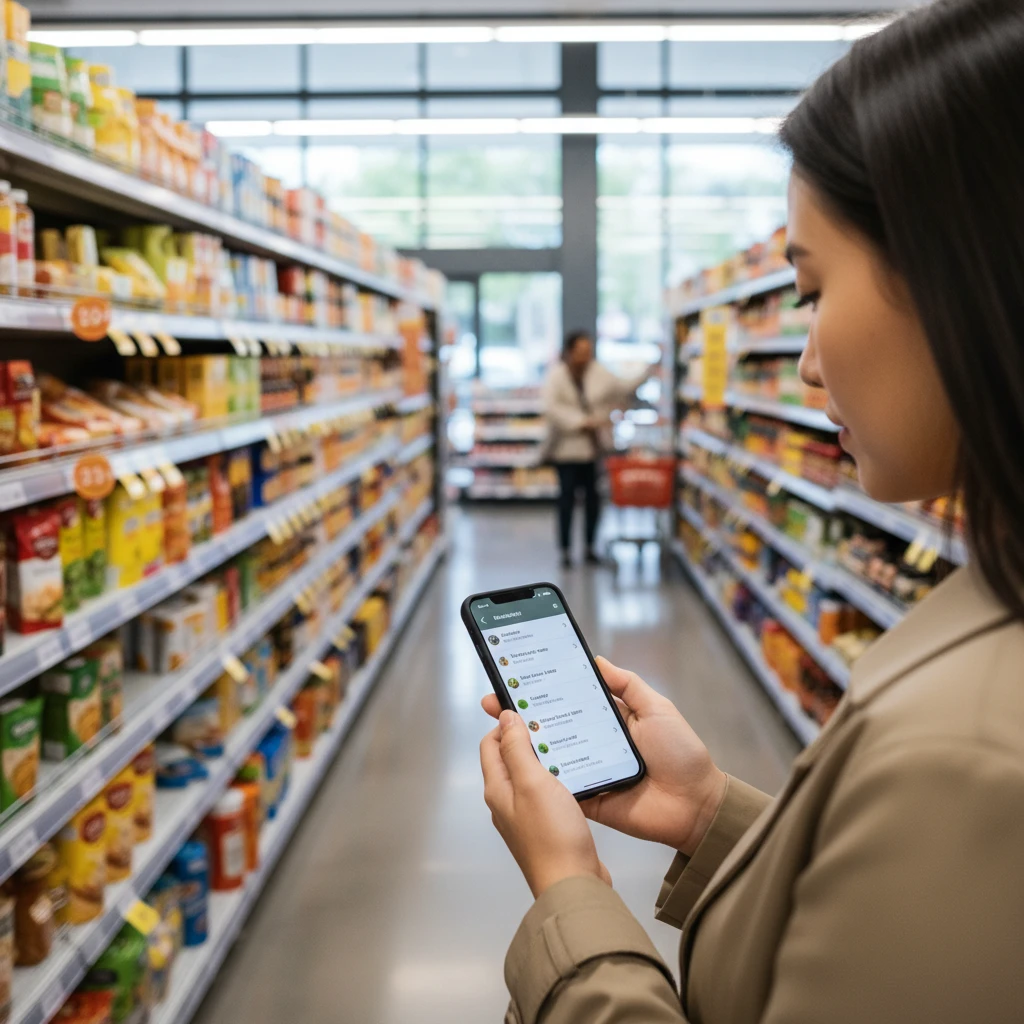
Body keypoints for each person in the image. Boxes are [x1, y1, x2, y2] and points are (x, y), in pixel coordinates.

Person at [479, 2, 1024, 1021]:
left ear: (965, 271)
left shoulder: (972, 753)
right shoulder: (991, 607)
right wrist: (712, 814)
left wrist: (569, 895)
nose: (807, 357)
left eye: (811, 290)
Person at [542, 330, 650, 567]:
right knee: (567, 500)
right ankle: (565, 550)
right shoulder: (556, 376)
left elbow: (624, 387)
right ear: (569, 352)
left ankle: (590, 546)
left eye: (588, 352)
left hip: (593, 450)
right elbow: (551, 409)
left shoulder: (599, 373)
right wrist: (582, 422)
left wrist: (649, 370)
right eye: (580, 352)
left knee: (593, 500)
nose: (585, 357)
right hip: (567, 450)